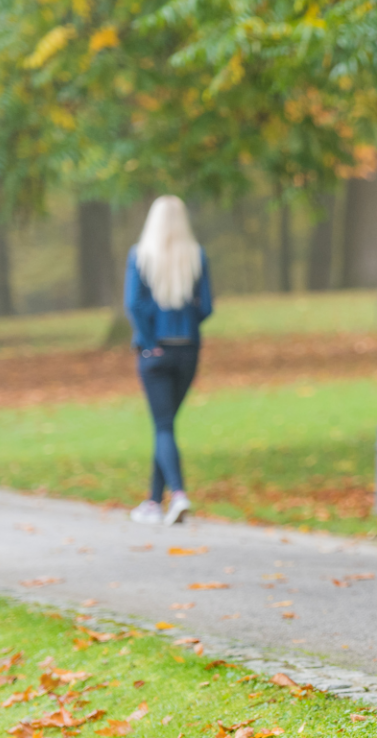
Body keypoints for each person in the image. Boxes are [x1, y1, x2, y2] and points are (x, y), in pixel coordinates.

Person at [125, 195, 213, 527]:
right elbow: (206, 307)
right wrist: (186, 323)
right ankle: (152, 501)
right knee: (167, 425)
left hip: (155, 352)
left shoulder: (141, 256)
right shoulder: (195, 256)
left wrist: (149, 342)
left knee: (163, 426)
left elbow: (133, 303)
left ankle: (177, 494)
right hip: (187, 350)